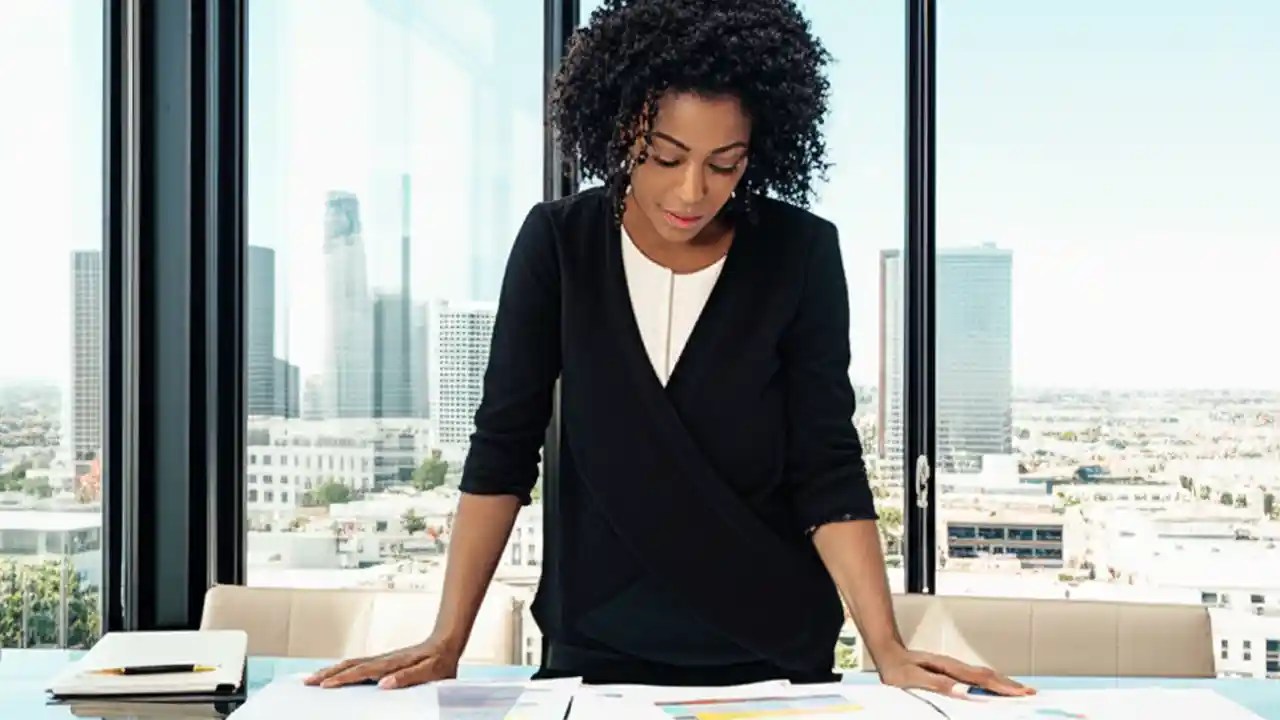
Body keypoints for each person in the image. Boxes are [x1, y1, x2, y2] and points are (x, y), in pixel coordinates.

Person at [306, 0, 1033, 697]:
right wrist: (447, 639)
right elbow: (502, 448)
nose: (693, 191)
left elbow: (827, 463)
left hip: (775, 655)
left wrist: (888, 650)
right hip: (595, 652)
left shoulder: (801, 252)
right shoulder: (559, 244)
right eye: (664, 155)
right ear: (620, 129)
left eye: (726, 163)